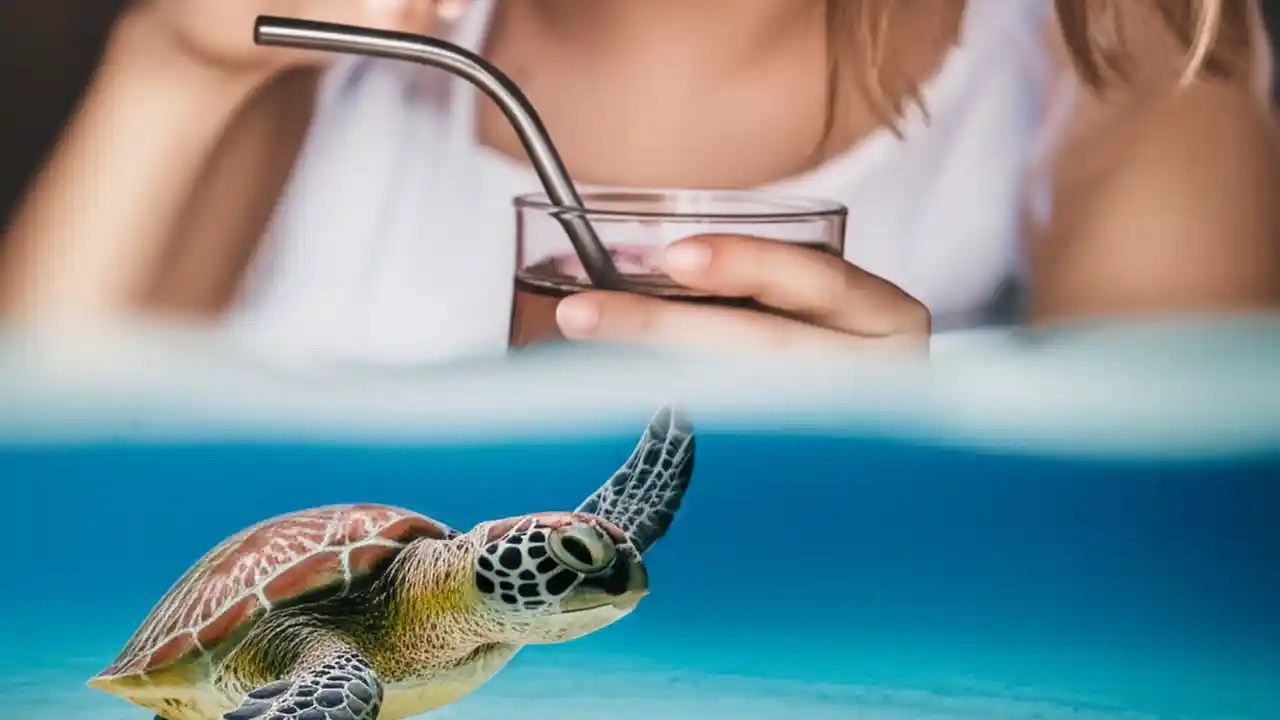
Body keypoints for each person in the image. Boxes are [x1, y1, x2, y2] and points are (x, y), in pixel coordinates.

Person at [1, 0, 1276, 363]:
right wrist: (167, 66)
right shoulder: (320, 36)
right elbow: (47, 527)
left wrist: (896, 474)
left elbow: (1174, 606)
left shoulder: (1119, 45)